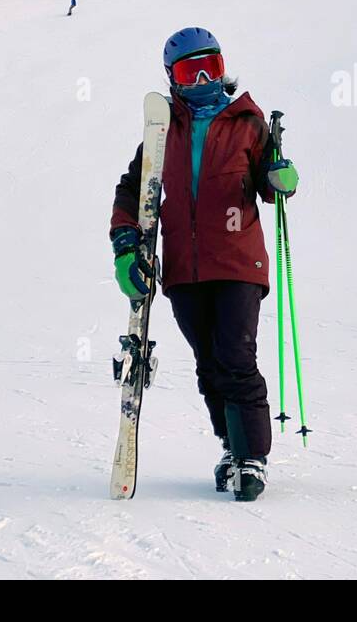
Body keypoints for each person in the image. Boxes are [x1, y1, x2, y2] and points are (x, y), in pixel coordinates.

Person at [108, 28, 299, 502]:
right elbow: (133, 190)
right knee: (208, 363)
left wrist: (280, 179)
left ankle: (252, 453)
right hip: (184, 271)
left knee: (236, 356)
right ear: (172, 79)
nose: (200, 80)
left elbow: (270, 186)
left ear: (222, 67)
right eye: (188, 71)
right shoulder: (162, 129)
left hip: (237, 261)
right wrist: (127, 244)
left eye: (209, 68)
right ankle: (231, 447)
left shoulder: (248, 124)